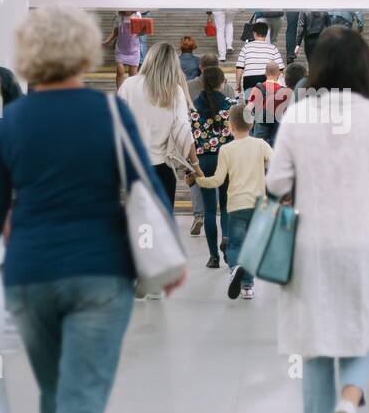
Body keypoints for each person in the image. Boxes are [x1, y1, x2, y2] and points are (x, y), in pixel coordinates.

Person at [0, 5, 183, 413]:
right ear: (86, 50)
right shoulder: (109, 113)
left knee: (55, 391)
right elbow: (145, 189)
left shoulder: (11, 120)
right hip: (102, 275)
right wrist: (167, 252)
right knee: (82, 394)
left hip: (29, 277)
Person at [266, 26, 369, 413]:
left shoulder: (298, 116)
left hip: (308, 243)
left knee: (314, 338)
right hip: (360, 239)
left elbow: (276, 181)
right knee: (361, 331)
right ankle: (348, 403)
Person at [194, 105, 274, 300]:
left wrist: (200, 180)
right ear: (252, 123)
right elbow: (277, 164)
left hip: (236, 205)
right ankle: (248, 287)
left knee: (236, 243)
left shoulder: (226, 149)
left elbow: (218, 180)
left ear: (229, 126)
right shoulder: (261, 145)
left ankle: (235, 266)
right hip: (257, 205)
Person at [117, 41, 197, 216]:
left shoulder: (129, 85)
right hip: (163, 166)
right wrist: (195, 164)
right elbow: (183, 130)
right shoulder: (175, 91)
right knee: (162, 222)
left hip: (135, 164)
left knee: (139, 220)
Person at [190, 65, 234, 269]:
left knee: (209, 210)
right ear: (221, 82)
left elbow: (189, 138)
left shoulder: (194, 108)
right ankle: (226, 236)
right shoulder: (230, 105)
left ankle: (213, 256)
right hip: (225, 158)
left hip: (204, 160)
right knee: (225, 205)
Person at [235, 20, 284, 94]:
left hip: (249, 79)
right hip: (266, 79)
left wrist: (238, 84)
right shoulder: (272, 48)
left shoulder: (246, 47)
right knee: (266, 103)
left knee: (250, 102)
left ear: (254, 33)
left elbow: (239, 67)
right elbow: (280, 68)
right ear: (266, 34)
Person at [245, 61, 284, 146]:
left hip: (259, 129)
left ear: (265, 73)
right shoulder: (282, 91)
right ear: (278, 73)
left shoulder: (257, 89)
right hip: (276, 131)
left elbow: (248, 109)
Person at [101, 11, 141, 90]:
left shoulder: (137, 15)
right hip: (121, 49)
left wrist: (143, 31)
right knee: (120, 71)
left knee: (133, 74)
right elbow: (115, 32)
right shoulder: (118, 15)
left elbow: (139, 31)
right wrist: (106, 42)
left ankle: (132, 91)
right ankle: (120, 92)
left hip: (134, 49)